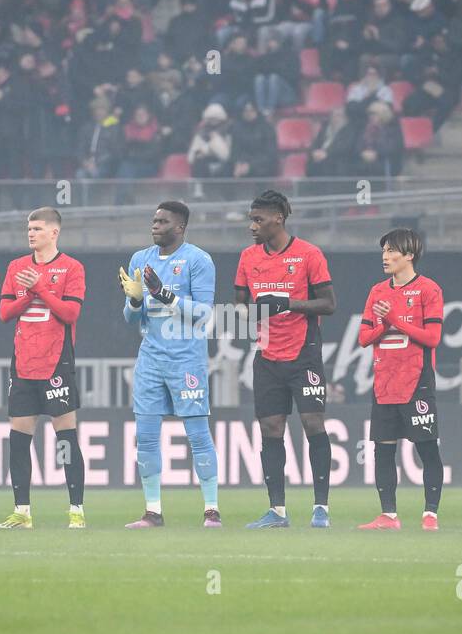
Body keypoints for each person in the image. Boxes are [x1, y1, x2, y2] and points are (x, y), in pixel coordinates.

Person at [235, 190, 337, 529]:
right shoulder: (248, 257)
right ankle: (277, 511)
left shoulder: (309, 254)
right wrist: (250, 312)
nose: (252, 226)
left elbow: (329, 304)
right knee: (270, 428)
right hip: (266, 355)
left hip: (303, 353)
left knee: (313, 425)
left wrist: (287, 302)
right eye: (251, 219)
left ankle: (320, 508)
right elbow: (238, 305)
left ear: (278, 218)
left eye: (258, 219)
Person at [118, 201, 219, 528]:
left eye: (162, 221)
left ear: (180, 227)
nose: (155, 225)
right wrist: (135, 299)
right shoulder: (140, 259)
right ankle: (153, 512)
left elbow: (204, 314)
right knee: (146, 436)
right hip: (150, 359)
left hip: (186, 359)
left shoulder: (198, 260)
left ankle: (211, 510)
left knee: (197, 435)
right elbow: (130, 317)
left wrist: (164, 295)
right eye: (153, 220)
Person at [0, 208, 88, 529]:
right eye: (28, 228)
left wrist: (41, 289)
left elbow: (69, 314)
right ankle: (22, 512)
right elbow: (5, 313)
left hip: (56, 362)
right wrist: (31, 293)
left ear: (54, 233)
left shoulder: (72, 268)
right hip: (23, 362)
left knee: (65, 438)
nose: (31, 233)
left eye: (37, 228)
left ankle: (76, 510)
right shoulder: (16, 267)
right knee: (19, 437)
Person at [356, 229, 445, 531]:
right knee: (383, 449)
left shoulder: (428, 290)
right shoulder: (377, 291)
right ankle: (388, 515)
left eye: (392, 250)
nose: (385, 256)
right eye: (383, 251)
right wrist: (384, 325)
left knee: (427, 447)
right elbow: (364, 338)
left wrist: (395, 320)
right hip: (384, 381)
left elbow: (432, 338)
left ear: (409, 255)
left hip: (417, 380)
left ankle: (430, 514)